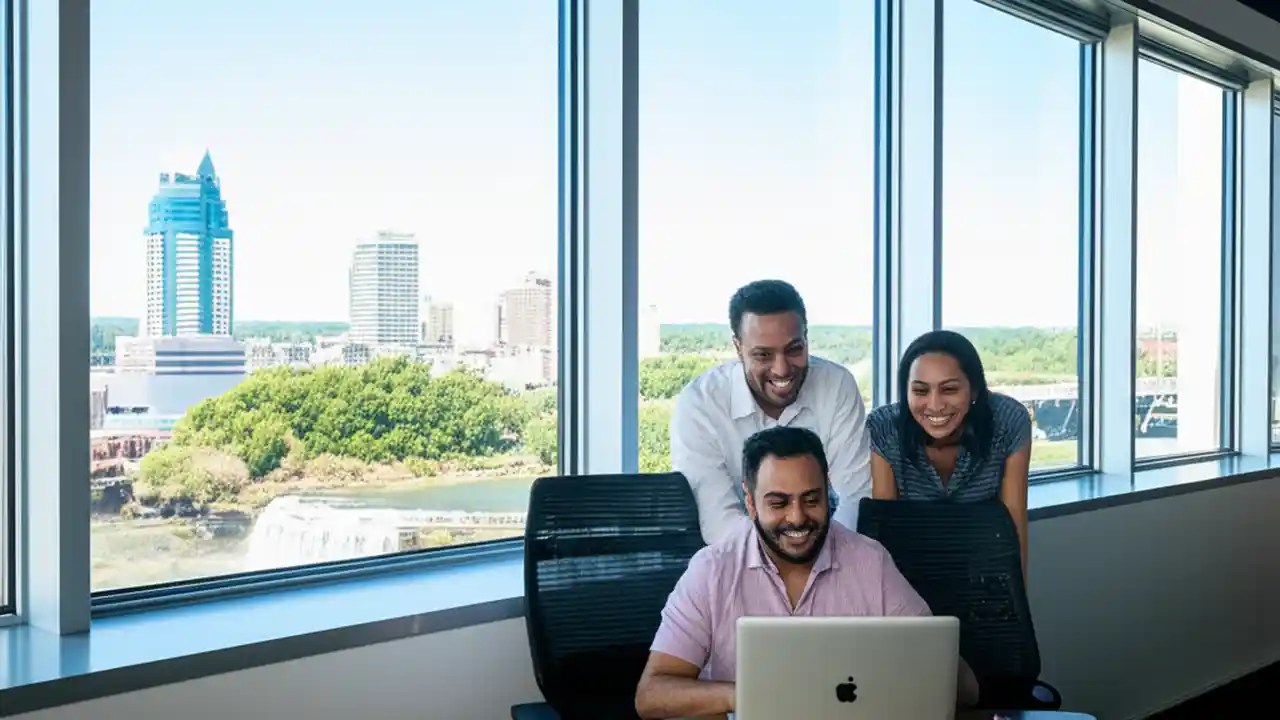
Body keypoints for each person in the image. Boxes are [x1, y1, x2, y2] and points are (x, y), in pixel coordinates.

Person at [635, 426, 978, 719]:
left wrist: (941, 671)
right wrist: (749, 695)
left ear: (828, 491)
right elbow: (651, 695)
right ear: (750, 502)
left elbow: (959, 683)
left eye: (811, 499)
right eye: (779, 503)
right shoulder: (712, 570)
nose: (798, 518)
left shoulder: (869, 561)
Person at [670, 279, 871, 545]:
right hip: (739, 563)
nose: (782, 369)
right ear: (738, 348)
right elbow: (719, 520)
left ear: (807, 338)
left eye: (794, 350)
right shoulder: (700, 403)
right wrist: (787, 567)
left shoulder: (836, 385)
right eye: (763, 355)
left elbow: (856, 498)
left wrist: (824, 566)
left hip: (830, 556)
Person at [866, 329, 1033, 577]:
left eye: (949, 389)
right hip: (908, 570)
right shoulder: (884, 427)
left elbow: (1012, 527)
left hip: (984, 568)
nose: (934, 405)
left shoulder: (1008, 421)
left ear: (974, 390)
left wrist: (1017, 602)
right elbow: (886, 535)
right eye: (921, 391)